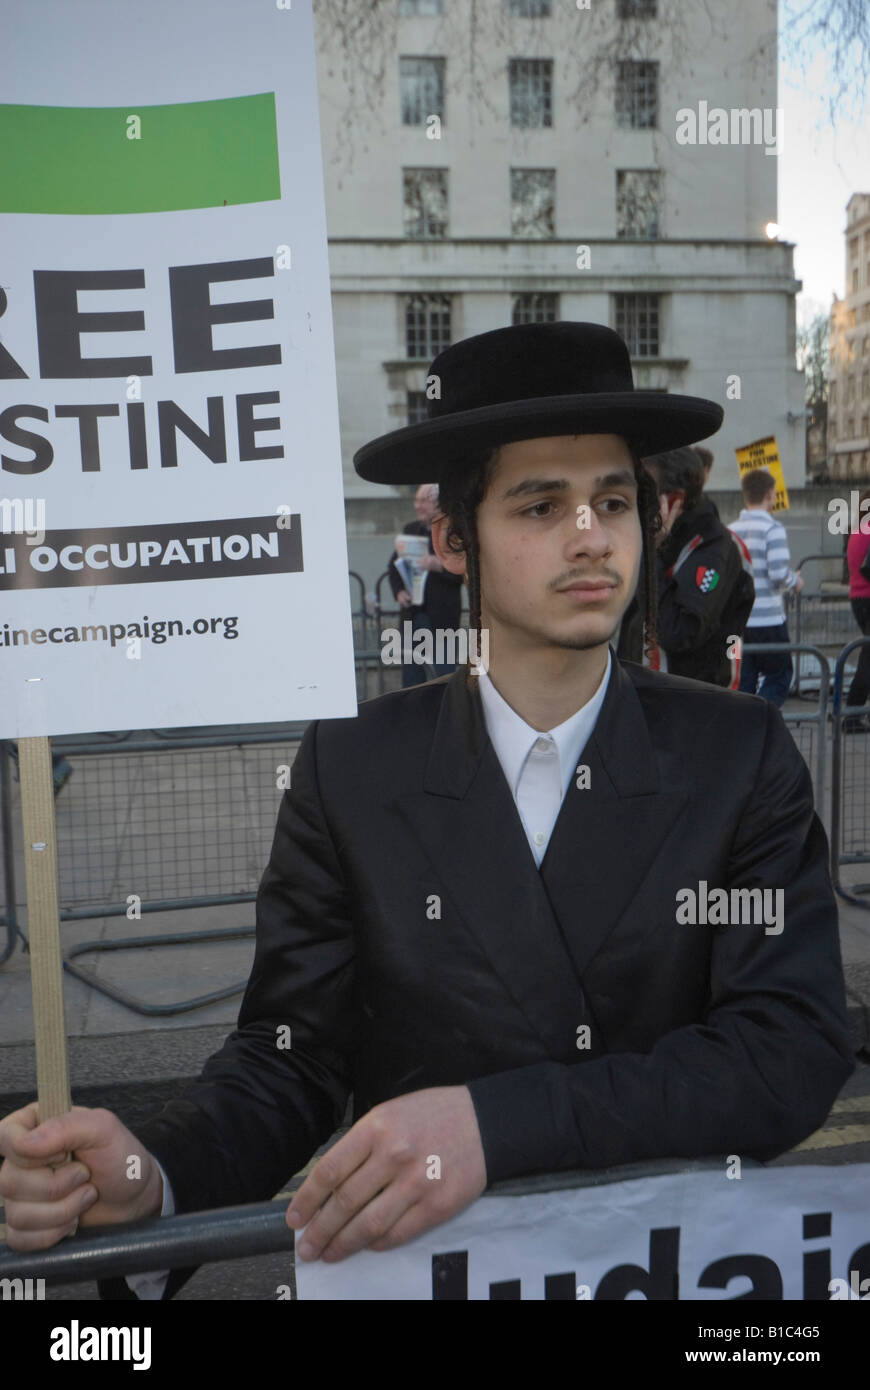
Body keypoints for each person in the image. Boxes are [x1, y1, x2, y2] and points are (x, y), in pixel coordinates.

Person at [0, 322, 852, 1303]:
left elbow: (784, 1050)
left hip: (676, 1277)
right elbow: (290, 1058)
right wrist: (155, 1174)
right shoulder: (353, 765)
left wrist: (493, 1124)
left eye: (613, 500)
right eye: (541, 504)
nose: (590, 536)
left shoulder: (737, 754)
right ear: (452, 538)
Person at [642, 448, 754, 687]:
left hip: (694, 701)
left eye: (645, 492)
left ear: (673, 501)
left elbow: (680, 633)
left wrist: (651, 555)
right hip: (653, 695)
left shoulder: (714, 549)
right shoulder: (665, 542)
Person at [729, 468, 803, 707]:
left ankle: (743, 730)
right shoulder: (773, 530)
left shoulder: (729, 531)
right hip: (768, 619)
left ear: (746, 494)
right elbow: (778, 574)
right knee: (779, 676)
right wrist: (796, 581)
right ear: (770, 495)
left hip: (737, 623)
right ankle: (762, 722)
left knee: (742, 681)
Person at [386, 483, 465, 686]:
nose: (417, 506)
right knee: (412, 681)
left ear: (438, 505)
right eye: (416, 501)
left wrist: (438, 566)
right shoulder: (411, 530)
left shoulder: (453, 532)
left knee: (443, 680)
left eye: (423, 501)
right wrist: (399, 592)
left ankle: (444, 717)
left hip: (441, 619)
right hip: (413, 616)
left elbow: (464, 573)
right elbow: (394, 567)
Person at [844, 487, 870, 732]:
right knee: (868, 659)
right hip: (868, 597)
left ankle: (854, 712)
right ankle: (852, 715)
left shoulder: (858, 531)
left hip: (858, 597)